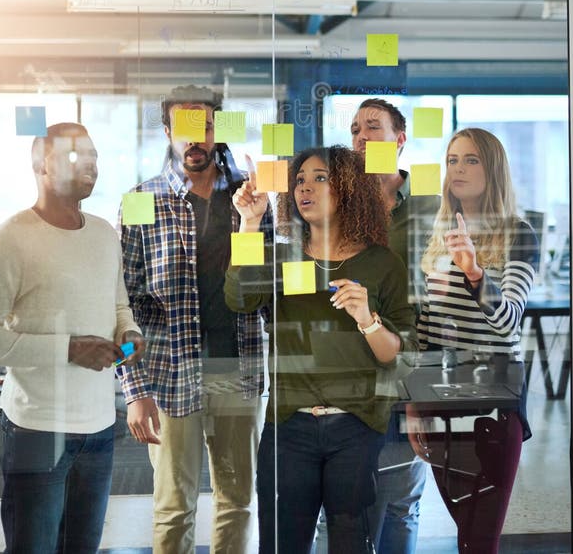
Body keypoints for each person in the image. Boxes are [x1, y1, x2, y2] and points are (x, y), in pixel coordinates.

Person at [225, 145, 418, 554]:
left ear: (348, 189)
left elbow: (400, 358)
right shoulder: (281, 255)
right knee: (281, 545)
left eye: (319, 178)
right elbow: (237, 297)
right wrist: (249, 222)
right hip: (288, 427)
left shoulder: (383, 264)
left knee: (350, 544)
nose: (304, 188)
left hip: (357, 428)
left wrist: (368, 318)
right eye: (298, 181)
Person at [0, 122, 143, 554]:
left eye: (94, 156)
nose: (90, 164)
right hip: (37, 430)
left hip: (101, 427)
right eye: (75, 155)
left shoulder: (105, 234)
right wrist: (69, 348)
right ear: (40, 164)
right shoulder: (10, 239)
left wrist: (130, 332)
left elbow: (117, 303)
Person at [117, 85, 272, 554]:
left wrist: (257, 220)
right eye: (183, 129)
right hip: (169, 375)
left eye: (204, 126)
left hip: (239, 369)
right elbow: (122, 305)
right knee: (172, 506)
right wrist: (134, 389)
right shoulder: (141, 201)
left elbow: (269, 293)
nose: (195, 139)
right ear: (167, 133)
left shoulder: (254, 197)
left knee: (238, 501)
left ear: (218, 129)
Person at [412, 127, 539, 554]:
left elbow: (508, 323)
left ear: (493, 168)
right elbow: (428, 332)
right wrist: (415, 406)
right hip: (441, 410)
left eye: (471, 159)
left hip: (493, 411)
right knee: (465, 535)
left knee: (480, 541)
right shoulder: (438, 234)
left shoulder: (518, 234)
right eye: (452, 159)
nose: (458, 169)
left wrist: (475, 274)